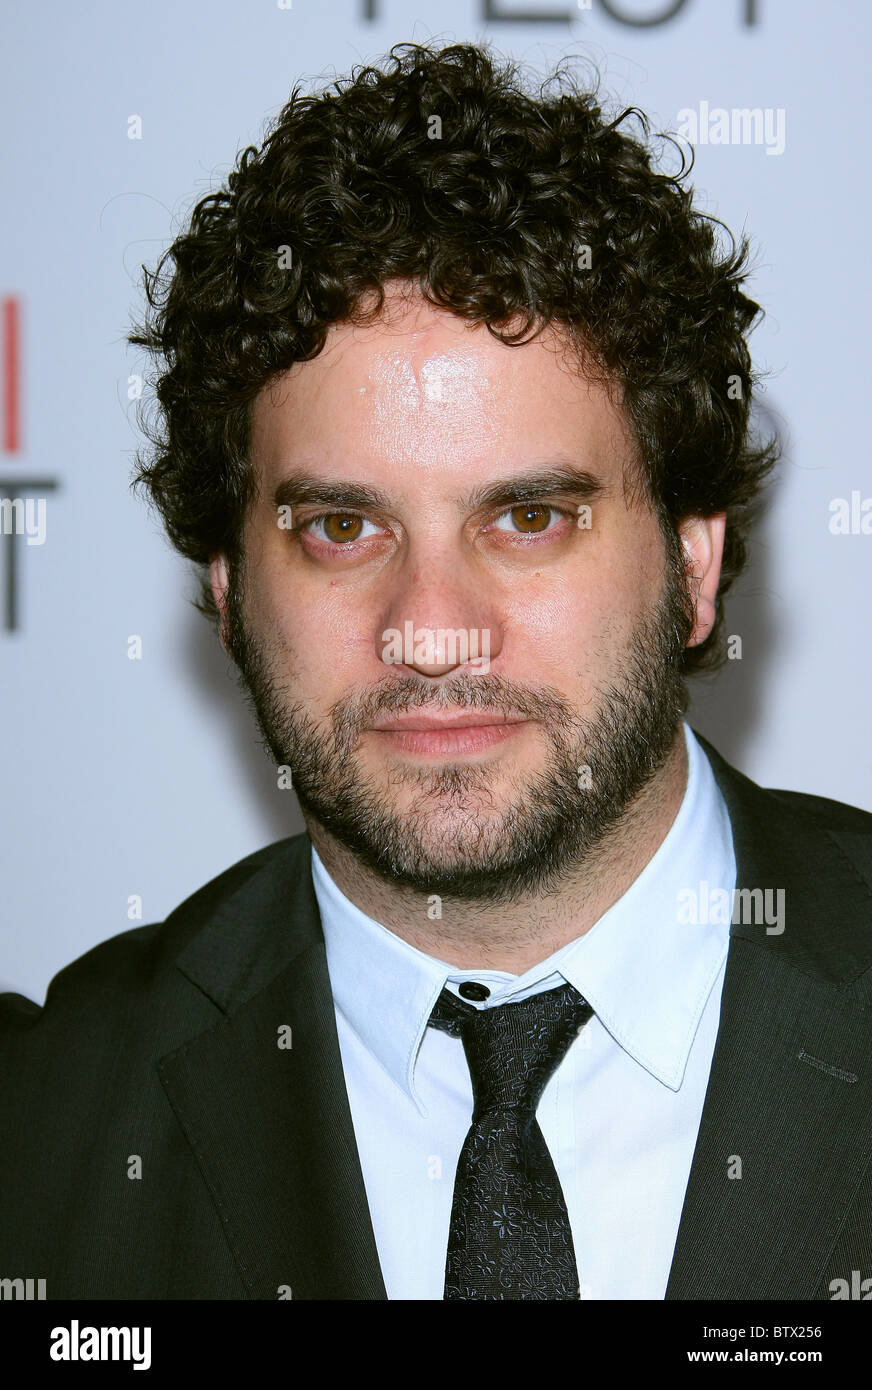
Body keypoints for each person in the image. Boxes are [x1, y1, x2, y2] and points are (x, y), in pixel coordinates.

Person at [1, 41, 869, 1303]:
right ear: (229, 593)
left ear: (691, 564)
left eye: (526, 519)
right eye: (340, 528)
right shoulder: (44, 1131)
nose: (431, 626)